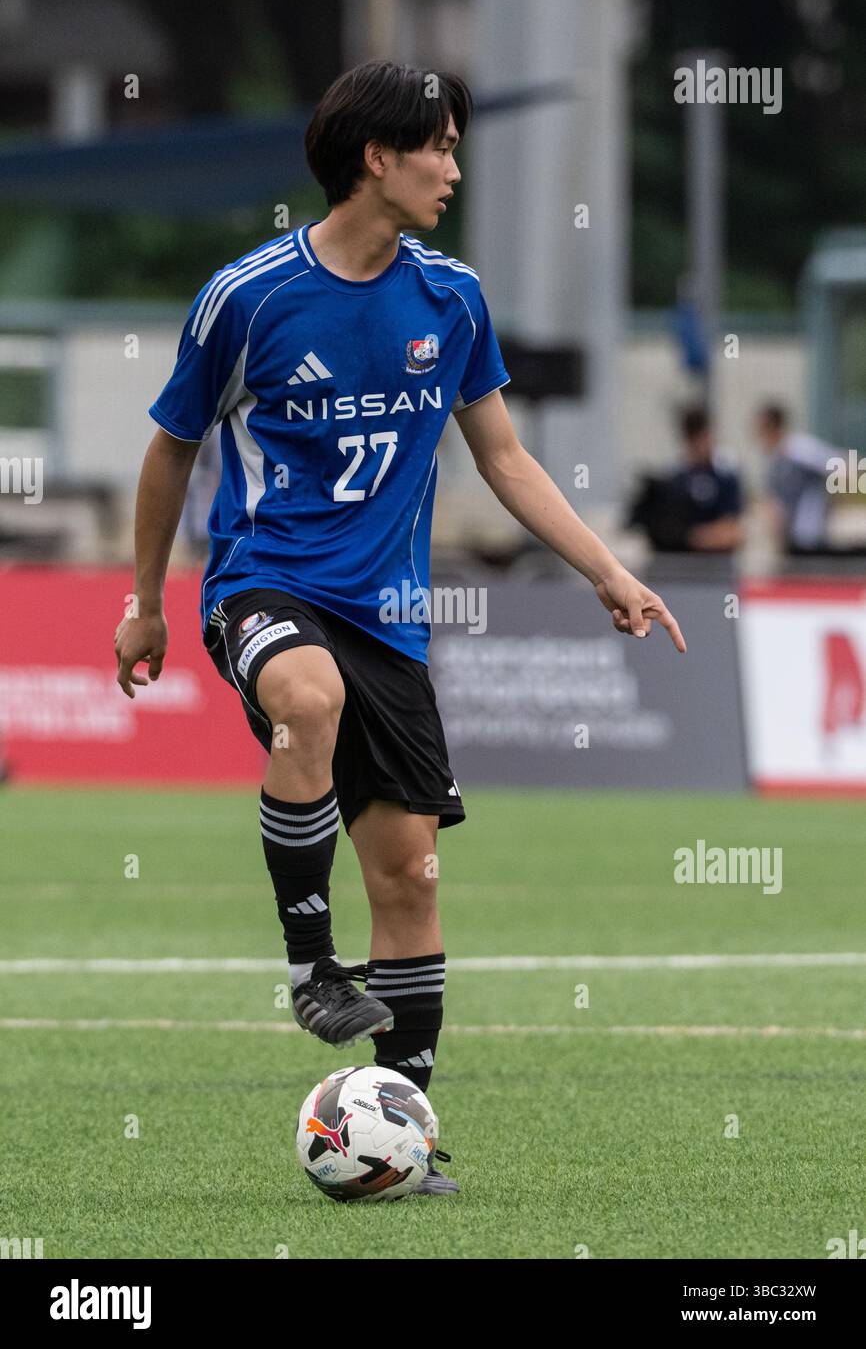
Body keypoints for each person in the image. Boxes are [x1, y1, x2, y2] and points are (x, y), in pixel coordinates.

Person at [114, 60, 686, 1196]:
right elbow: (172, 444)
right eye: (440, 147)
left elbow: (505, 456)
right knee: (305, 698)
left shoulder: (450, 297)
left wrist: (607, 572)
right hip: (264, 584)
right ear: (376, 157)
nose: (454, 169)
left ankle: (406, 1136)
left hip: (394, 621)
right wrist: (144, 602)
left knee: (411, 877)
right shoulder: (249, 296)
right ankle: (309, 964)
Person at [628, 405, 742, 553]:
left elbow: (731, 533)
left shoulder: (724, 477)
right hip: (680, 564)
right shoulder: (675, 479)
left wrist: (687, 536)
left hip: (716, 565)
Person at [755, 402, 835, 553]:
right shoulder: (773, 460)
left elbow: (840, 464)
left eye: (761, 429)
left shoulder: (799, 449)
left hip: (810, 535)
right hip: (790, 537)